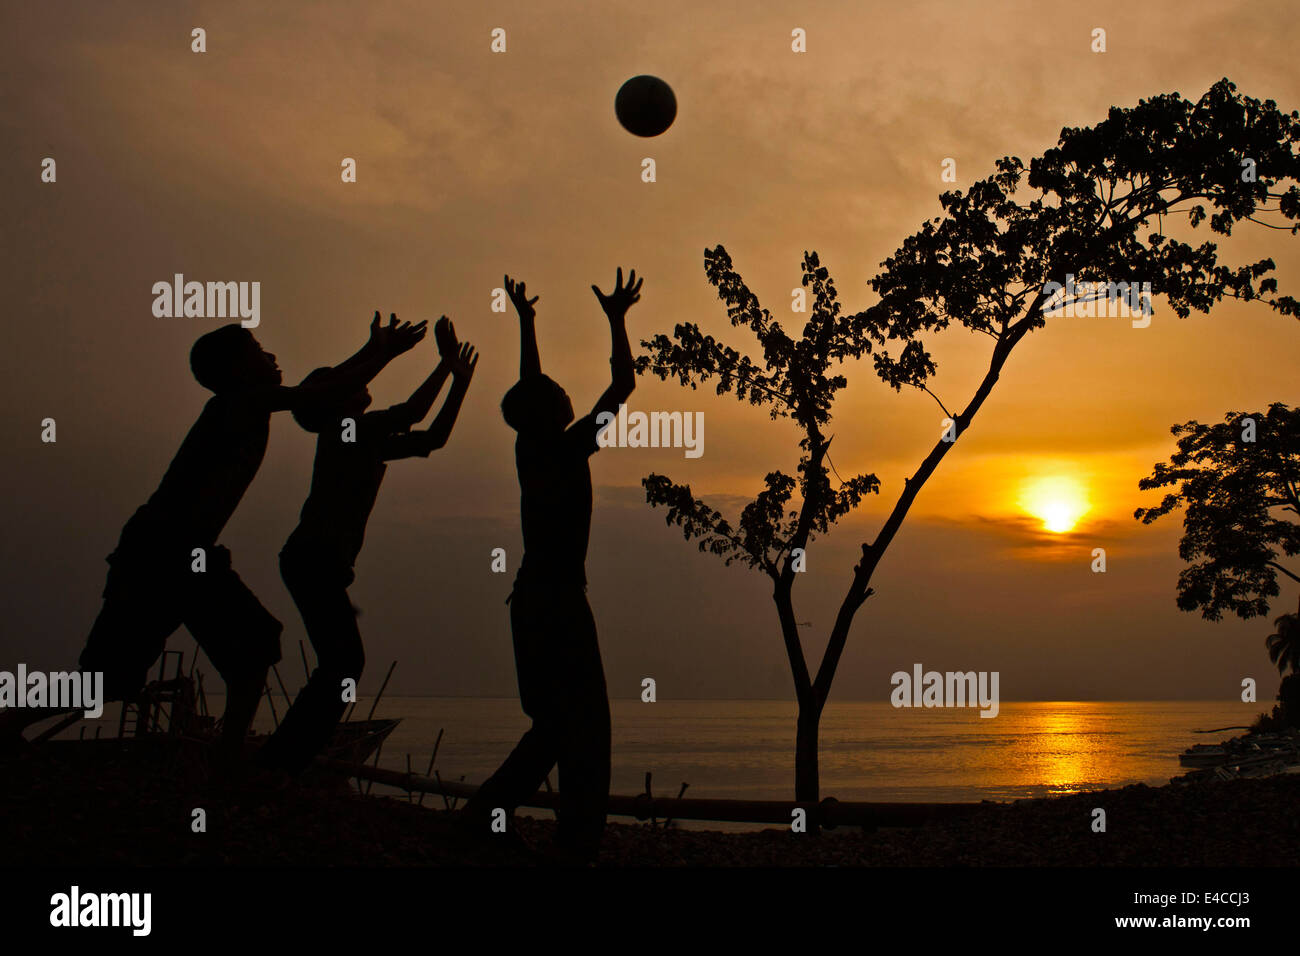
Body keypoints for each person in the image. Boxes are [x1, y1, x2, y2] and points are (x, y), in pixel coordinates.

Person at [1, 314, 426, 763]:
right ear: (240, 371)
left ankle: (228, 759)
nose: (273, 356)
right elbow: (319, 393)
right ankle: (14, 720)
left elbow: (321, 391)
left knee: (248, 648)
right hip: (164, 550)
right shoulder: (240, 402)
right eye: (261, 352)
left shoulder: (248, 401)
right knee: (118, 675)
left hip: (180, 553)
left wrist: (372, 349)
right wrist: (382, 353)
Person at [462, 268, 641, 863]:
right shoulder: (567, 447)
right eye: (560, 395)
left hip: (533, 600)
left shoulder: (529, 445)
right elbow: (622, 384)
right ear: (550, 412)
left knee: (553, 726)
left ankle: (489, 814)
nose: (568, 394)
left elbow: (528, 385)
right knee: (583, 724)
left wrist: (527, 321)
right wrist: (617, 321)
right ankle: (576, 840)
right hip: (558, 602)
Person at [257, 318, 478, 773]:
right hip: (312, 559)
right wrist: (445, 368)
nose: (358, 384)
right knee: (342, 665)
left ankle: (287, 758)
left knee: (340, 665)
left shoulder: (358, 437)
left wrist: (458, 382)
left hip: (315, 562)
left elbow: (432, 439)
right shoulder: (347, 432)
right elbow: (413, 413)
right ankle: (284, 760)